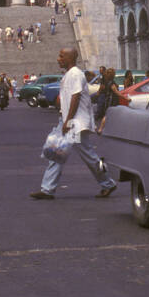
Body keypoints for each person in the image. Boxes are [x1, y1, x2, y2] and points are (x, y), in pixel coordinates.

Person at [31, 47, 116, 200]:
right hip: (70, 121)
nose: (58, 59)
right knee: (57, 153)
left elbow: (75, 98)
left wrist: (68, 121)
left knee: (87, 156)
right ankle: (47, 189)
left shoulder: (75, 74)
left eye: (61, 56)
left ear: (69, 58)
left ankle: (108, 183)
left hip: (75, 123)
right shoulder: (69, 75)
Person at [95, 67, 121, 135]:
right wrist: (126, 98)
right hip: (111, 99)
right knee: (107, 114)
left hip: (108, 98)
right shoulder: (110, 82)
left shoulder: (106, 80)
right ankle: (100, 129)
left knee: (108, 114)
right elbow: (116, 92)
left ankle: (103, 128)